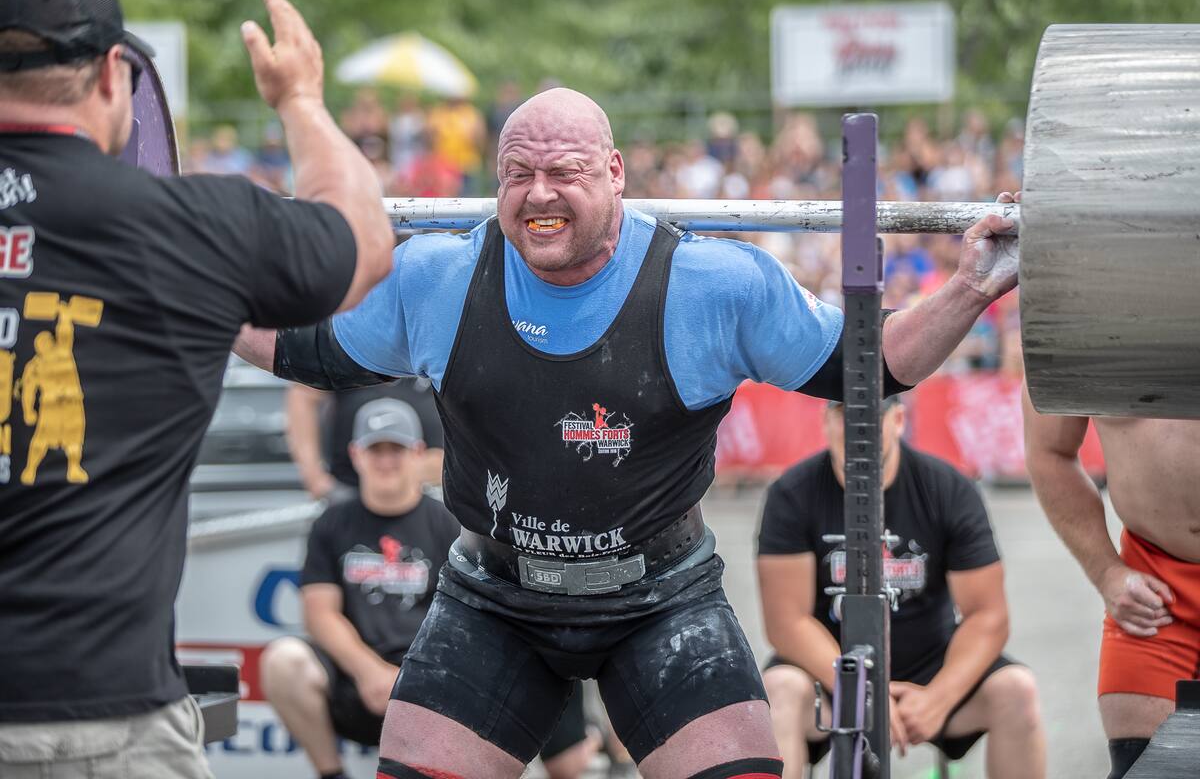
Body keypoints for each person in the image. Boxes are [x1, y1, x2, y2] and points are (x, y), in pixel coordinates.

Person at [234, 87, 1020, 779]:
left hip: (660, 602)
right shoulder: (436, 278)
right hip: (495, 599)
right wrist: (197, 285)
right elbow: (303, 348)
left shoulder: (712, 288)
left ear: (615, 173)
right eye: (517, 174)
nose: (539, 194)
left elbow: (871, 363)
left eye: (564, 172)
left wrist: (973, 284)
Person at [0, 0, 392, 777]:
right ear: (115, 75)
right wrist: (301, 100)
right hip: (107, 721)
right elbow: (364, 239)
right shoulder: (192, 224)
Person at [263, 397, 598, 779]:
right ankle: (332, 774)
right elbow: (319, 613)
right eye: (375, 451)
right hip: (356, 682)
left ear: (419, 454)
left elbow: (478, 616)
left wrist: (418, 678)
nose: (386, 461)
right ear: (355, 455)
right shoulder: (332, 523)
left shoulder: (450, 523)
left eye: (396, 450)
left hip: (435, 683)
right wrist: (369, 671)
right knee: (283, 661)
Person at [756, 399, 1046, 779]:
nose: (858, 429)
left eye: (871, 416)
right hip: (830, 670)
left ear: (897, 420)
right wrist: (860, 692)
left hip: (929, 666)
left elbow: (987, 615)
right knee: (778, 692)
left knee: (1017, 691)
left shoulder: (946, 488)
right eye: (844, 415)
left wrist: (939, 698)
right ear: (826, 421)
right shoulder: (792, 493)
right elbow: (786, 622)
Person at [1022, 391, 1200, 779]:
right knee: (1145, 768)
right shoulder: (1078, 329)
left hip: (1156, 587)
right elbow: (1049, 450)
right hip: (1159, 587)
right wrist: (1106, 572)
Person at [286, 377, 445, 501]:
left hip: (423, 495)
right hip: (347, 491)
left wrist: (394, 478)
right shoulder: (351, 349)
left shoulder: (432, 351)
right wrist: (313, 476)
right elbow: (303, 392)